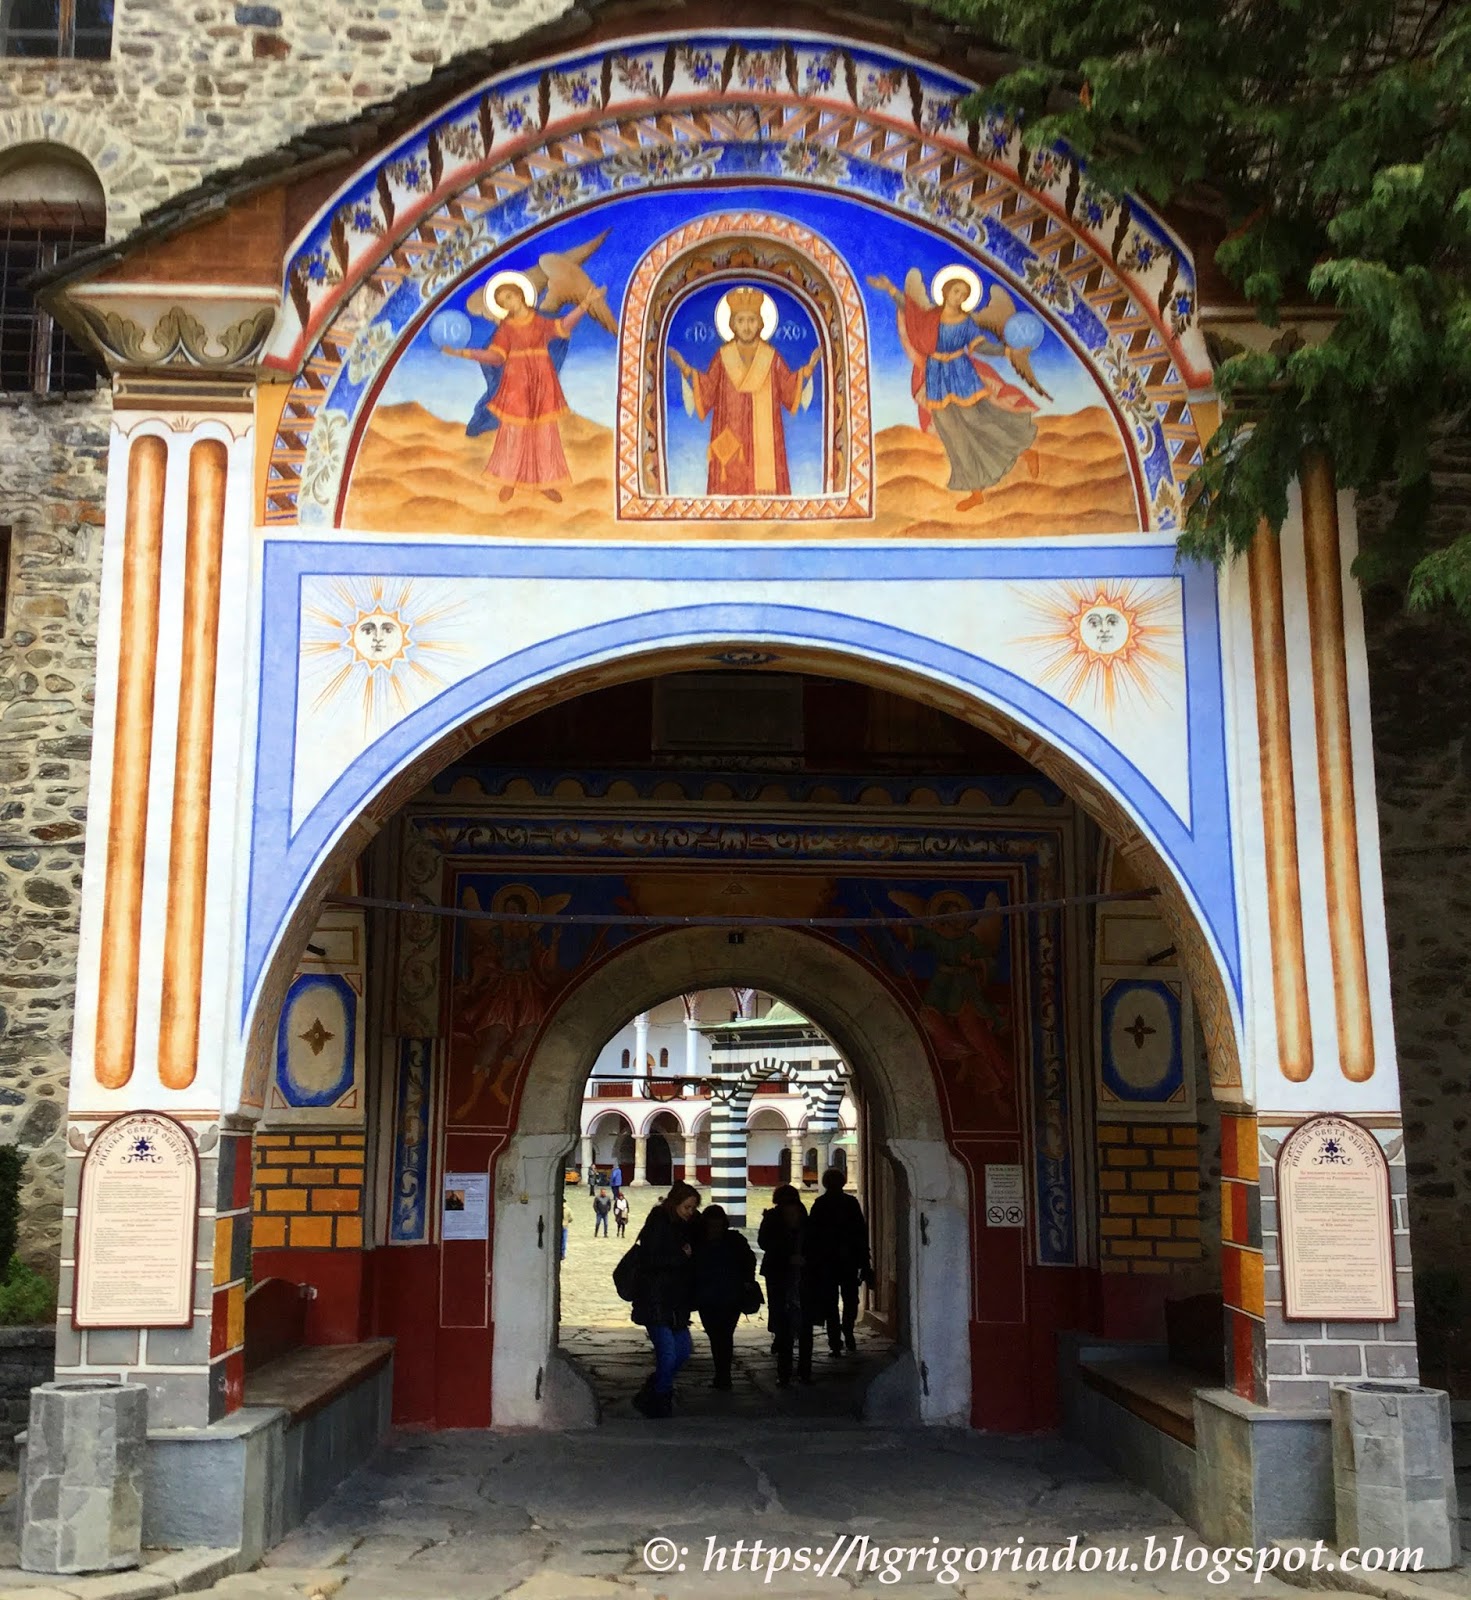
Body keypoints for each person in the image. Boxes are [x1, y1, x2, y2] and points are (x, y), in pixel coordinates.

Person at [868, 269, 1039, 511]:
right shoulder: (932, 317)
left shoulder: (966, 322)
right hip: (936, 377)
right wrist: (890, 288)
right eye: (956, 291)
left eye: (964, 294)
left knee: (977, 420)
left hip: (961, 374)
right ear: (946, 291)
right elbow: (911, 312)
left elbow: (980, 347)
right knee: (952, 436)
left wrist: (1007, 351)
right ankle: (976, 491)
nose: (959, 297)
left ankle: (1024, 451)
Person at [444, 273, 606, 504]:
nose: (507, 303)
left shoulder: (539, 321)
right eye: (502, 302)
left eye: (509, 297)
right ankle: (509, 481)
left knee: (543, 432)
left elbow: (562, 326)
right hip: (516, 383)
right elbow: (495, 357)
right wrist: (463, 353)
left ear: (520, 295)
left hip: (541, 381)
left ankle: (545, 483)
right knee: (514, 431)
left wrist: (585, 304)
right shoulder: (506, 328)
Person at [667, 286, 821, 495]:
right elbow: (708, 387)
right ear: (732, 325)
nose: (746, 326)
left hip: (765, 440)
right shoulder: (723, 356)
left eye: (751, 320)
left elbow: (788, 387)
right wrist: (684, 367)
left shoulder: (771, 357)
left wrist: (808, 368)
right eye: (741, 321)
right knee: (730, 477)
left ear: (760, 323)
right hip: (731, 433)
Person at [628, 1180, 701, 1418]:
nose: (691, 1212)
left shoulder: (686, 1227)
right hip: (655, 1302)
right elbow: (653, 1260)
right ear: (675, 1203)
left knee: (682, 1351)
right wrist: (682, 1257)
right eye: (687, 1207)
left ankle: (651, 1391)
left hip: (677, 1304)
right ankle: (660, 1399)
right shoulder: (658, 1225)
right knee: (668, 1353)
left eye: (693, 1208)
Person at [807, 1167, 872, 1355]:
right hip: (848, 1260)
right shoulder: (851, 1203)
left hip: (827, 1262)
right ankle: (848, 1331)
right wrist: (864, 1259)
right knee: (850, 1299)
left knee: (830, 1303)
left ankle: (835, 1341)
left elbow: (812, 1236)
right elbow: (861, 1233)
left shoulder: (820, 1204)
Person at [693, 1204, 757, 1391]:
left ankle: (723, 1374)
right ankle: (723, 1373)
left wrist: (746, 1280)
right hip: (717, 1296)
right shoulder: (729, 1240)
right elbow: (749, 1260)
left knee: (722, 1336)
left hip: (724, 1296)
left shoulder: (707, 1242)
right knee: (719, 1336)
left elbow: (749, 1260)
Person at [758, 1183, 816, 1386]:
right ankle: (800, 1372)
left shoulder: (775, 1218)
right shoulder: (802, 1219)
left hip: (793, 1277)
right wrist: (789, 1257)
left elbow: (764, 1243)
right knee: (795, 1326)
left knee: (794, 1325)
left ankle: (788, 1373)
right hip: (786, 1275)